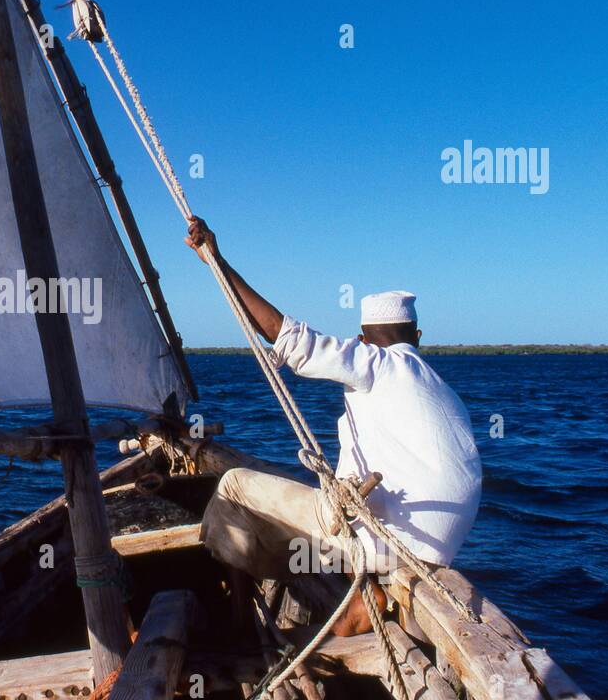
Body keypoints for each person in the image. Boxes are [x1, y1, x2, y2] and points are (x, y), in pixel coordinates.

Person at [185, 217, 482, 636]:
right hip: (439, 544)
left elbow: (282, 334)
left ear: (362, 340)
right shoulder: (437, 385)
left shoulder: (377, 363)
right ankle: (362, 593)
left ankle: (238, 620)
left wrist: (216, 260)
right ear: (417, 336)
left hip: (388, 541)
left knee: (232, 486)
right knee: (337, 497)